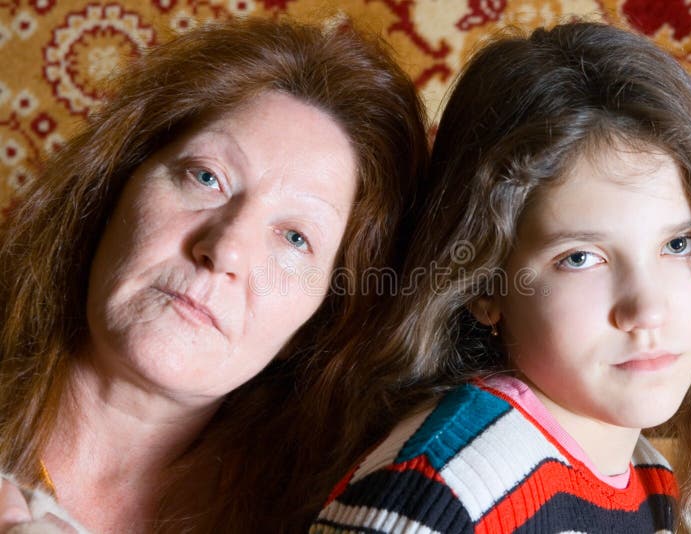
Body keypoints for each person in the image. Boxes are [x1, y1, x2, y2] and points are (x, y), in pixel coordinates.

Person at [312, 22, 691, 533]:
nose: (647, 310)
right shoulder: (443, 489)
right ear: (486, 284)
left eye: (680, 244)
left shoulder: (648, 477)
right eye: (580, 257)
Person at [0, 17, 428, 533]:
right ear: (110, 191)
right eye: (207, 178)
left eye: (295, 238)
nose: (224, 249)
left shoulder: (332, 518)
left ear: (319, 321)